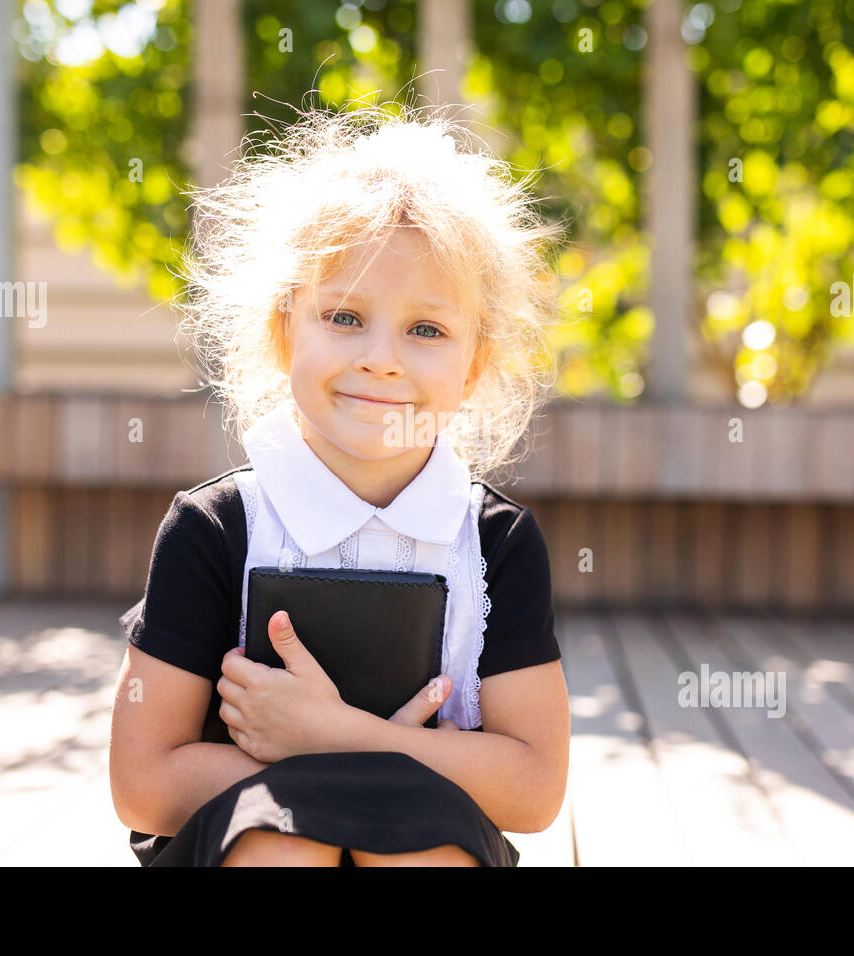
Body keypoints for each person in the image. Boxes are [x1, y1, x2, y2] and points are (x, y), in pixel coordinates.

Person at [109, 101, 571, 866]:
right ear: (286, 328)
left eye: (426, 330)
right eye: (345, 316)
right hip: (246, 844)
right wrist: (326, 783)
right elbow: (142, 783)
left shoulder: (494, 543)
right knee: (283, 839)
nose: (381, 359)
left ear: (474, 366)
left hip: (428, 840)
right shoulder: (217, 528)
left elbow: (534, 790)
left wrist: (343, 737)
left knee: (420, 840)